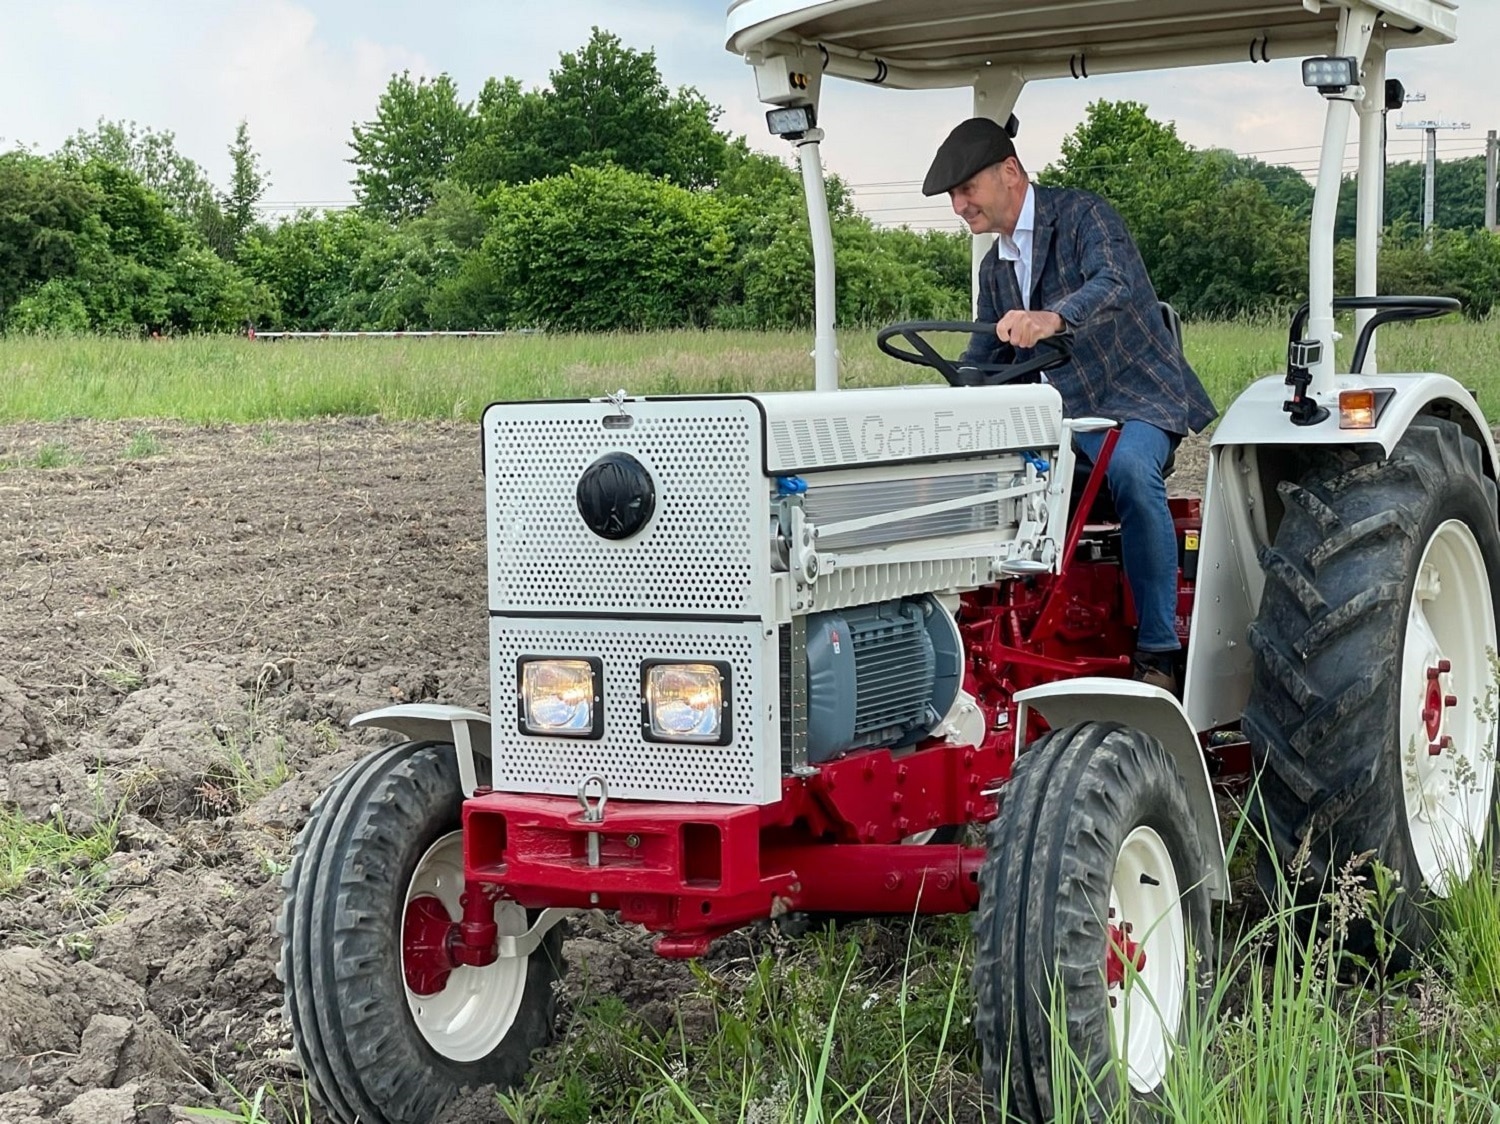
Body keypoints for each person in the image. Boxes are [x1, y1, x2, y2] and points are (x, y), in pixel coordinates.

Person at [923, 117, 1217, 694]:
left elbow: (1115, 284)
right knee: (982, 480)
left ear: (1009, 172)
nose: (959, 206)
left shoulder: (1084, 216)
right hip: (1062, 418)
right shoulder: (995, 266)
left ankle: (1159, 651)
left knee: (1132, 471)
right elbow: (984, 354)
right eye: (953, 196)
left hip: (1135, 397)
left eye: (966, 190)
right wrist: (949, 395)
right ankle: (993, 638)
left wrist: (1053, 318)